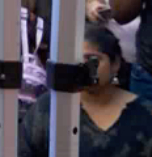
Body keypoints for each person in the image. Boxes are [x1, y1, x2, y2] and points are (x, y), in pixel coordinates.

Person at [19, 24, 152, 157]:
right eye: (77, 60)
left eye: (92, 59)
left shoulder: (145, 113)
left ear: (115, 63)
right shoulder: (49, 108)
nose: (83, 67)